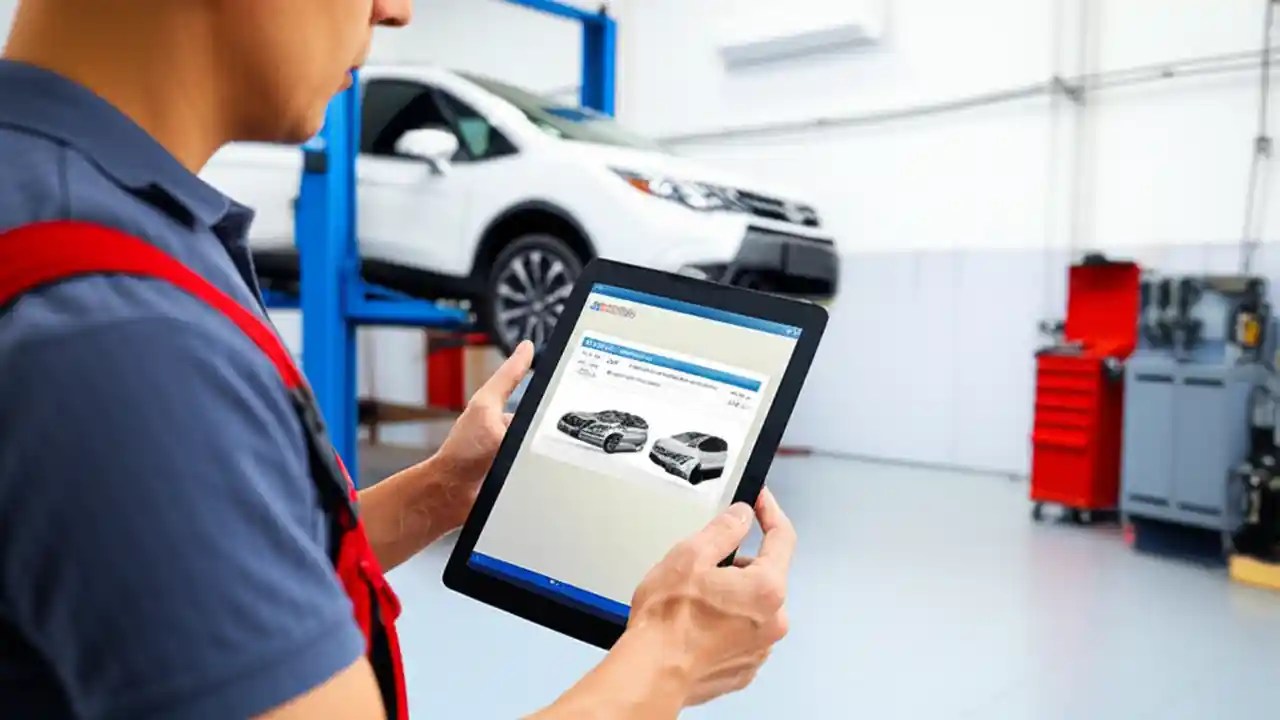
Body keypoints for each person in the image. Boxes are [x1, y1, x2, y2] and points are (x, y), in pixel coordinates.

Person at [0, 1, 796, 718]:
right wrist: (664, 665)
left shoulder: (62, 203)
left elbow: (188, 580)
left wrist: (441, 491)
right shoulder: (123, 333)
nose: (397, 9)